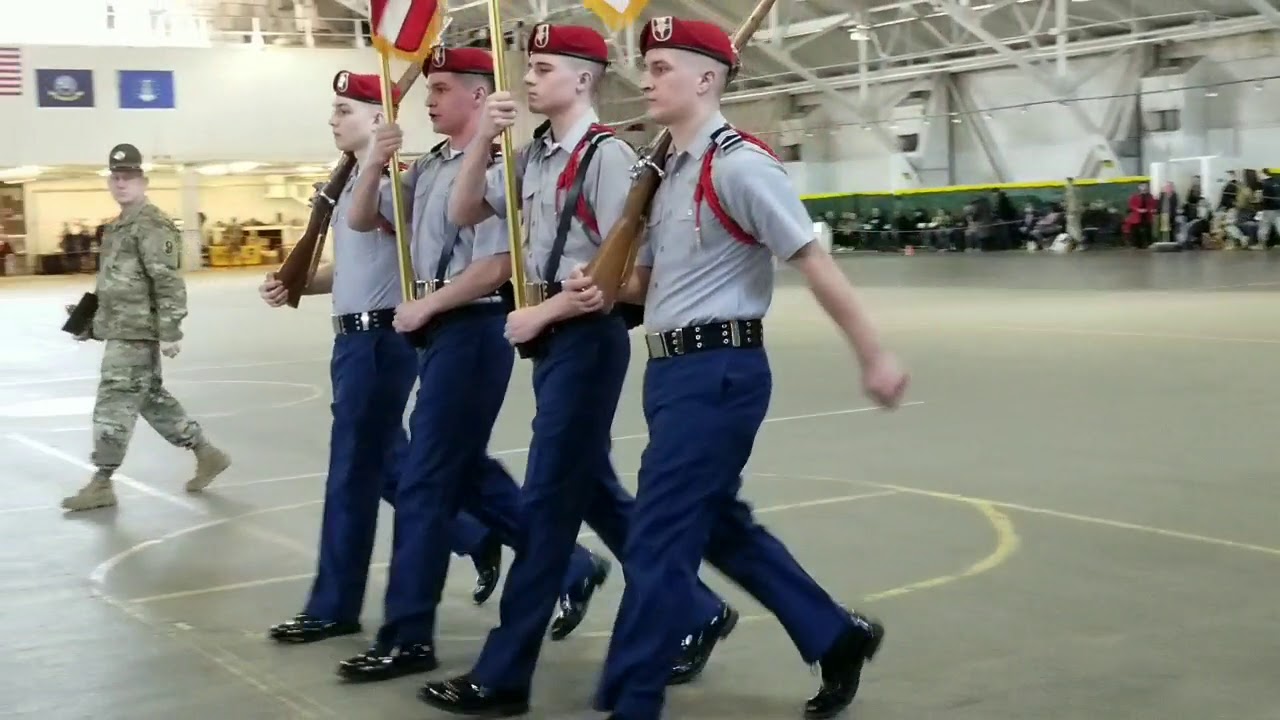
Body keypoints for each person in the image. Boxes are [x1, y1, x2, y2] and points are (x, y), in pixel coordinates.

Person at [586, 17, 910, 720]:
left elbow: (813, 261)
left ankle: (630, 701)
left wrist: (873, 353)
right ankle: (833, 634)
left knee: (659, 536)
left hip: (719, 371)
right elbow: (651, 286)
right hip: (670, 374)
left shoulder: (739, 166)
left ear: (707, 78)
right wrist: (592, 288)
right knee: (716, 525)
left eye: (663, 65)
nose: (646, 76)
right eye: (647, 65)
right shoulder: (667, 171)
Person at [418, 23, 735, 716]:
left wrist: (552, 306)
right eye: (526, 68)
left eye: (542, 68)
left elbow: (630, 275)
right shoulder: (533, 155)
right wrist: (482, 143)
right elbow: (464, 208)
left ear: (583, 79)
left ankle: (503, 677)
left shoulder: (605, 158)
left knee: (546, 508)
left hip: (585, 343)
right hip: (551, 347)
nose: (527, 80)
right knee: (590, 492)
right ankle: (695, 607)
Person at [333, 47, 613, 681]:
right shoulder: (434, 165)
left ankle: (408, 635)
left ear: (478, 96)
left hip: (474, 325)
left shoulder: (498, 166)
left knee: (428, 480)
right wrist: (375, 160)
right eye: (427, 88)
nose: (428, 99)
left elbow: (496, 264)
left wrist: (428, 302)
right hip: (438, 331)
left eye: (441, 88)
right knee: (458, 474)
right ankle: (572, 565)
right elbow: (363, 218)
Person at [257, 71, 508, 646]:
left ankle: (335, 604)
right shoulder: (349, 183)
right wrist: (295, 283)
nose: (332, 119)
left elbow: (403, 246)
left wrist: (375, 166)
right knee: (398, 467)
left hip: (382, 340)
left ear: (377, 118)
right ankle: (475, 536)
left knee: (359, 473)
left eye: (344, 109)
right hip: (354, 338)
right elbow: (354, 269)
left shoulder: (399, 183)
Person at [61, 144, 232, 512]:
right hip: (121, 330)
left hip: (137, 335)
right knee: (150, 399)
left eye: (129, 178)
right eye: (117, 178)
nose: (122, 184)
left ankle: (102, 481)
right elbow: (113, 285)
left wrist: (171, 330)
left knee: (113, 403)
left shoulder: (153, 225)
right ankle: (207, 452)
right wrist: (89, 323)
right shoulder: (118, 227)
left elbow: (168, 282)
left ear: (143, 181)